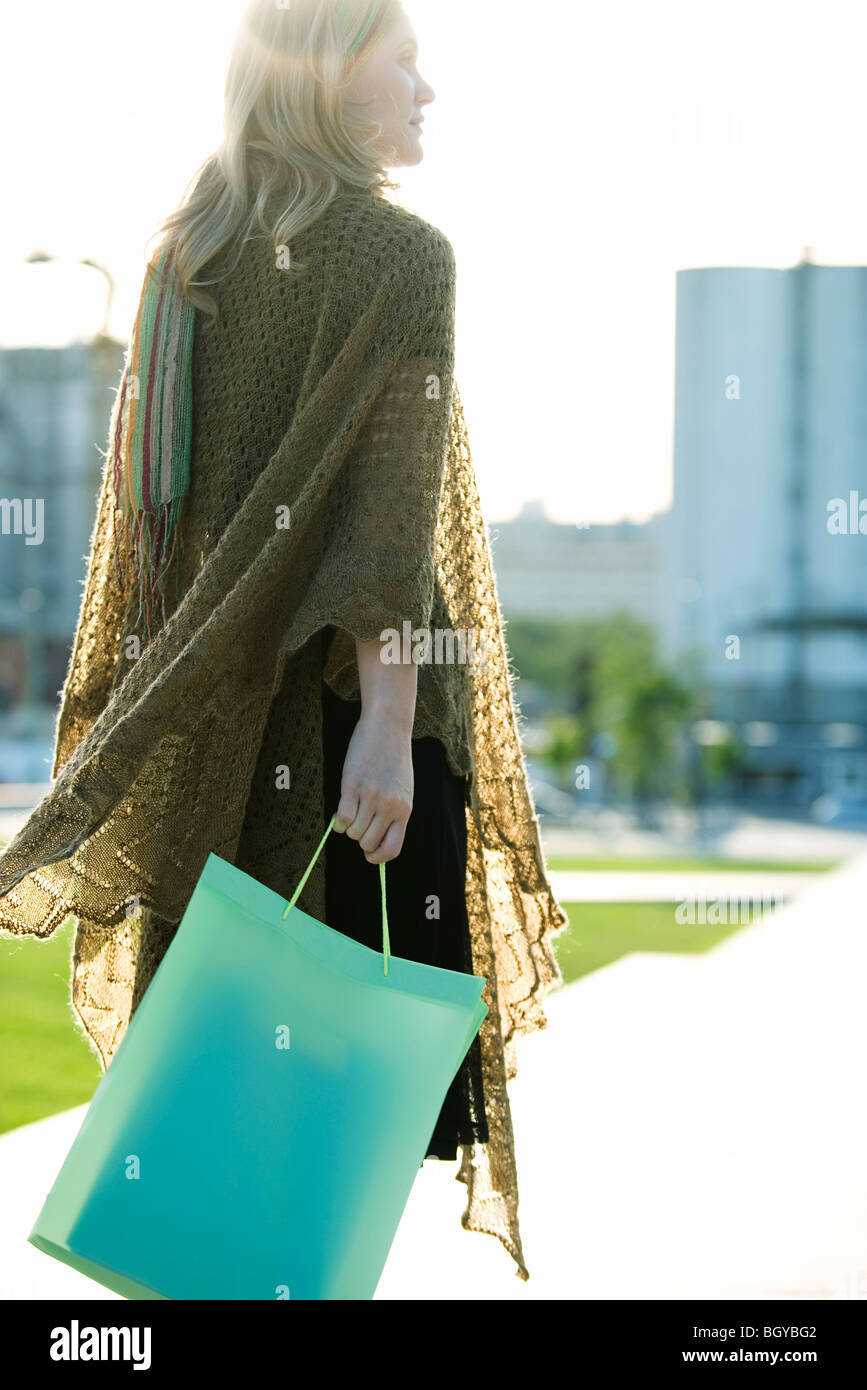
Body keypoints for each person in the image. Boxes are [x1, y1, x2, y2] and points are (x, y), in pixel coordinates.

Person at [0, 0, 568, 1282]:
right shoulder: (406, 259)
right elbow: (388, 530)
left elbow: (150, 535)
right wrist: (386, 727)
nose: (431, 89)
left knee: (214, 1078)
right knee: (330, 1113)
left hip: (207, 733)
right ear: (324, 75)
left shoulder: (184, 254)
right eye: (405, 61)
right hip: (334, 726)